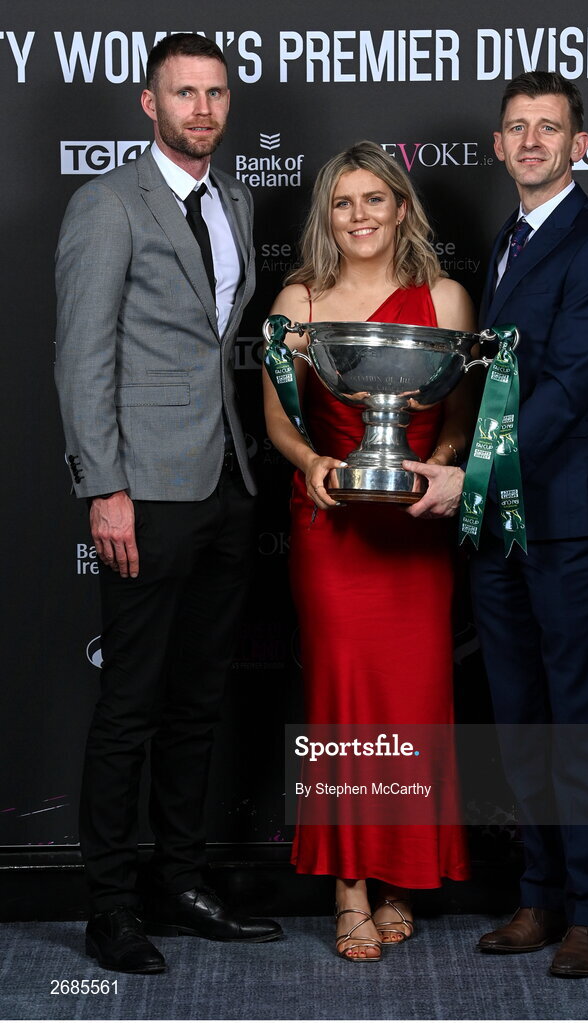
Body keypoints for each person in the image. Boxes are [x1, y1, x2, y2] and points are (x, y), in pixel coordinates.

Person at [407, 72, 588, 977]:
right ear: (499, 147)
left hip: (568, 521)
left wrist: (465, 470)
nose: (533, 140)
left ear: (580, 144)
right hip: (497, 523)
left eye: (550, 127)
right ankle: (540, 895)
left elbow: (569, 391)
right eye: (518, 128)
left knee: (577, 716)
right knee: (518, 716)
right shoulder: (505, 240)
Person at [54, 33, 281, 974]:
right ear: (149, 104)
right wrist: (104, 487)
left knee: (199, 700)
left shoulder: (234, 196)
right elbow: (82, 355)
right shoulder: (107, 203)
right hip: (143, 487)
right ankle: (111, 904)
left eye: (216, 94)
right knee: (131, 705)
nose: (202, 110)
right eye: (183, 94)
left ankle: (181, 881)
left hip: (227, 481)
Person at [263, 140, 473, 962]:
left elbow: (459, 409)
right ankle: (348, 884)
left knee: (412, 704)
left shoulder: (445, 298)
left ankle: (397, 875)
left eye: (373, 200)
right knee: (344, 708)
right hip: (332, 527)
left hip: (415, 523)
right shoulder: (299, 300)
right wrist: (310, 459)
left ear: (399, 208)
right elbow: (277, 413)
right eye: (343, 202)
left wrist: (444, 465)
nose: (359, 216)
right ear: (327, 214)